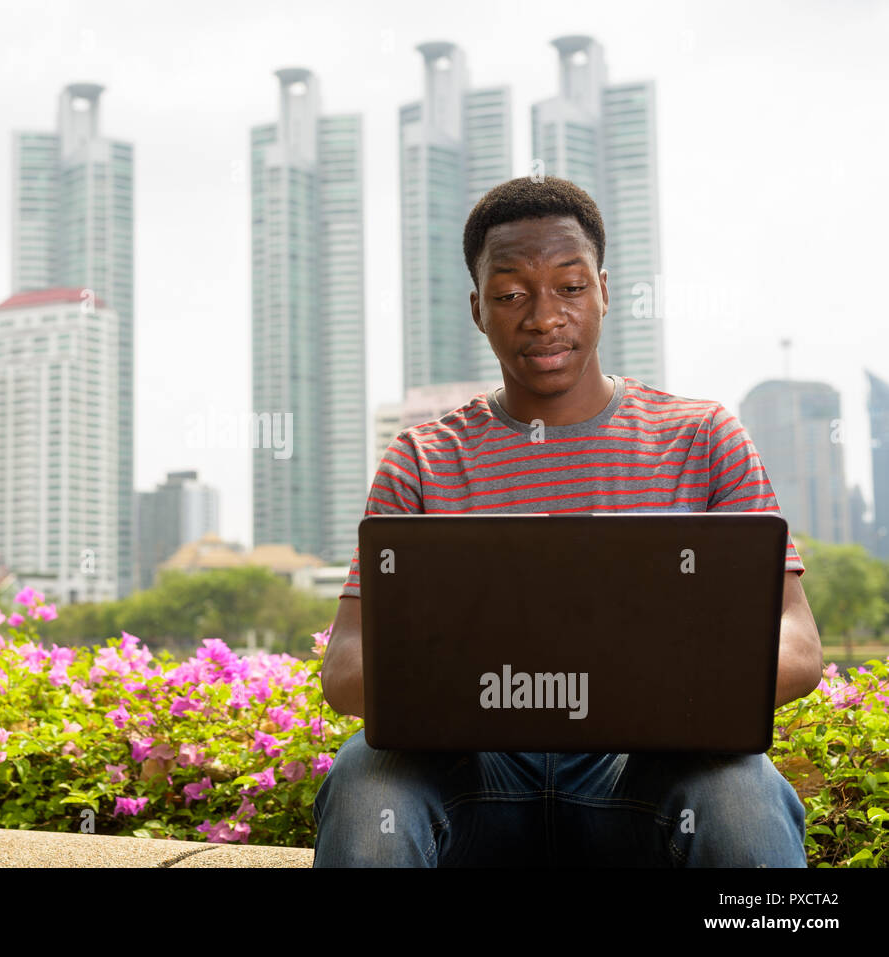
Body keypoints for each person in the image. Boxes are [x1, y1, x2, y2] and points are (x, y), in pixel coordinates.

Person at [313, 176, 823, 867]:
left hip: (642, 775)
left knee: (738, 791)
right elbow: (345, 667)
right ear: (477, 308)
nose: (543, 317)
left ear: (605, 292)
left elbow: (797, 643)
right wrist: (498, 680)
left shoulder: (704, 438)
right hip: (476, 782)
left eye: (570, 287)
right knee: (368, 779)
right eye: (511, 293)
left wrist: (644, 677)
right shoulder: (422, 460)